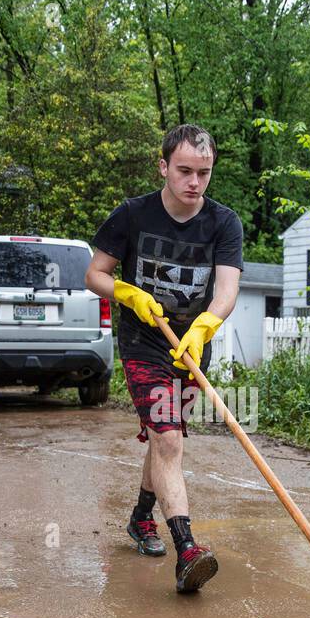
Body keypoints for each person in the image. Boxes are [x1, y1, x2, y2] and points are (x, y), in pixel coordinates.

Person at [85, 124, 243, 594]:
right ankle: (187, 550)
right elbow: (94, 274)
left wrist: (205, 326)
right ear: (163, 167)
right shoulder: (132, 215)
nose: (194, 182)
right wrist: (128, 293)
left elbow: (228, 289)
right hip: (144, 342)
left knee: (163, 439)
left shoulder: (223, 222)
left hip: (191, 345)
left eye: (204, 173)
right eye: (184, 171)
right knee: (170, 440)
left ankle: (139, 519)